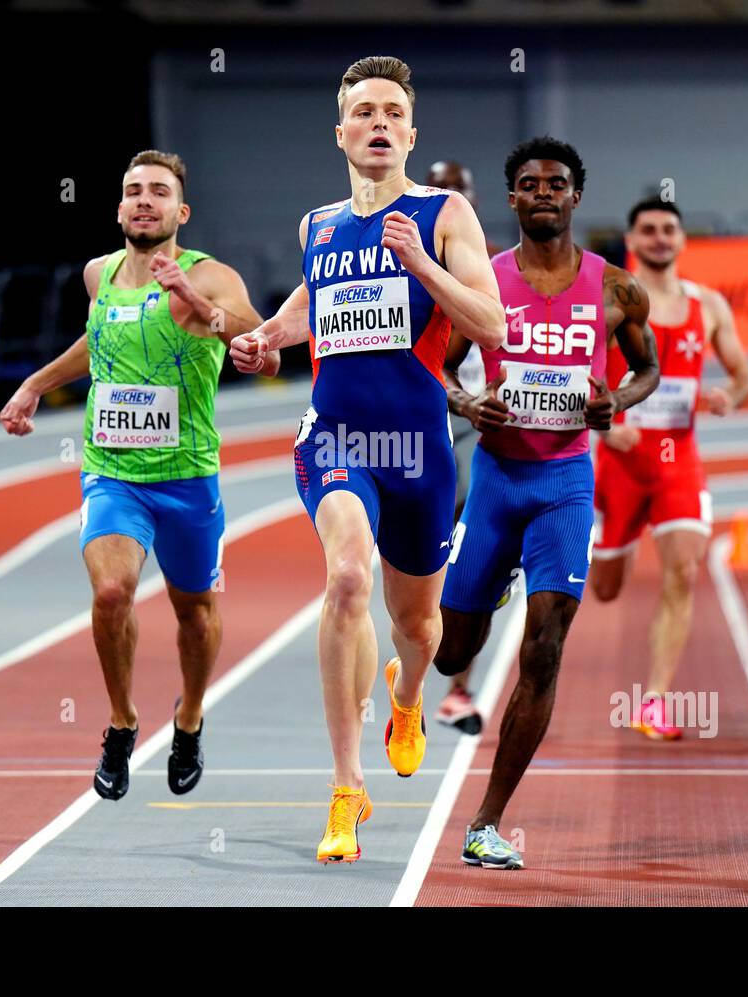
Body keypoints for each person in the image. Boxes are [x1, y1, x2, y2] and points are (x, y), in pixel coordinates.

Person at [230, 56, 504, 864]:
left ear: (411, 134)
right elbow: (308, 307)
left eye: (393, 112)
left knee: (418, 625)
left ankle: (409, 696)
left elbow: (490, 323)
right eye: (365, 112)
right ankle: (347, 787)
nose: (379, 122)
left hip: (418, 448)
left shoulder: (443, 210)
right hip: (338, 437)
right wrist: (263, 339)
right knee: (346, 576)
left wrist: (420, 262)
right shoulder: (320, 225)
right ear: (342, 132)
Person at [0, 150, 264, 798]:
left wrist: (196, 304)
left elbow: (256, 338)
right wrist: (35, 383)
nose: (144, 200)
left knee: (195, 612)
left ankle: (190, 717)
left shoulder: (211, 274)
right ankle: (121, 721)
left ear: (182, 211)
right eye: (134, 191)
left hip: (188, 477)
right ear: (120, 208)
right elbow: (99, 341)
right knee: (112, 592)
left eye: (158, 192)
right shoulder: (100, 274)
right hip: (112, 472)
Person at [433, 138, 659, 869]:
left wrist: (616, 401)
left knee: (546, 647)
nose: (542, 193)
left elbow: (648, 367)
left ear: (575, 197)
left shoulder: (617, 288)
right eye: (528, 184)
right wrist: (467, 403)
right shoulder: (484, 280)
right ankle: (488, 585)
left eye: (555, 184)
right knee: (450, 657)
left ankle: (486, 820)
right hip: (497, 481)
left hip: (566, 484)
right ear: (512, 199)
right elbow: (433, 366)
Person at [590, 197, 748, 739]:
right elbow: (572, 369)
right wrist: (608, 425)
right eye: (649, 230)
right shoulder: (609, 299)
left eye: (669, 229)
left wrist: (730, 395)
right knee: (607, 587)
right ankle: (611, 544)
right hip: (618, 464)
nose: (660, 238)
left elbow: (742, 375)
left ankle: (654, 702)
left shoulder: (708, 306)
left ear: (682, 240)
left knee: (684, 569)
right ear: (632, 241)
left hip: (678, 462)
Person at [424, 159, 500, 737]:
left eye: (460, 189)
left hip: (476, 423)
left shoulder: (494, 260)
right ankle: (414, 680)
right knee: (418, 558)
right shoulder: (401, 254)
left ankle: (456, 690)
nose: (451, 197)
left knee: (470, 542)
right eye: (441, 188)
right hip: (418, 422)